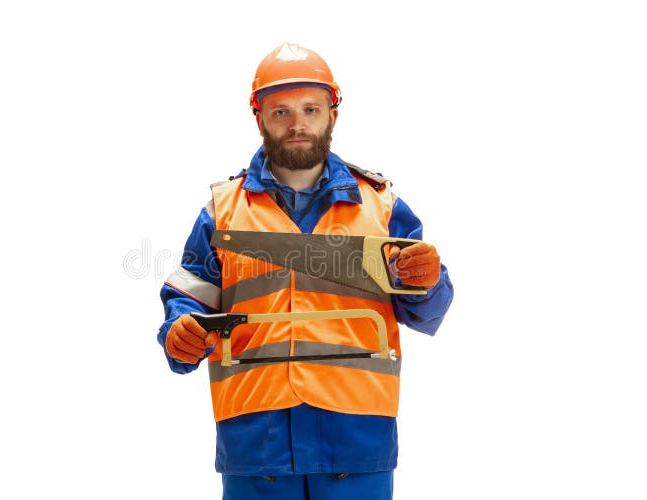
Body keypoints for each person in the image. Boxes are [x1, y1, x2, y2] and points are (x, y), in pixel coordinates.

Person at [157, 42, 454, 500]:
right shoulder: (221, 213)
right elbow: (188, 301)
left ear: (332, 113)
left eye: (310, 109)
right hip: (257, 444)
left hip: (356, 442)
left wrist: (427, 281)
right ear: (258, 117)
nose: (297, 124)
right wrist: (180, 331)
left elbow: (426, 311)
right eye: (281, 112)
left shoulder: (381, 205)